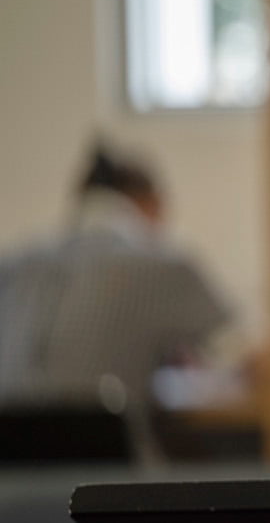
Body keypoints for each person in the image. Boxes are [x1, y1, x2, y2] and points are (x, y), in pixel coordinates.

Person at [0, 141, 229, 458]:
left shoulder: (13, 264)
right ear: (151, 202)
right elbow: (248, 357)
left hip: (10, 477)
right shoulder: (163, 265)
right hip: (106, 472)